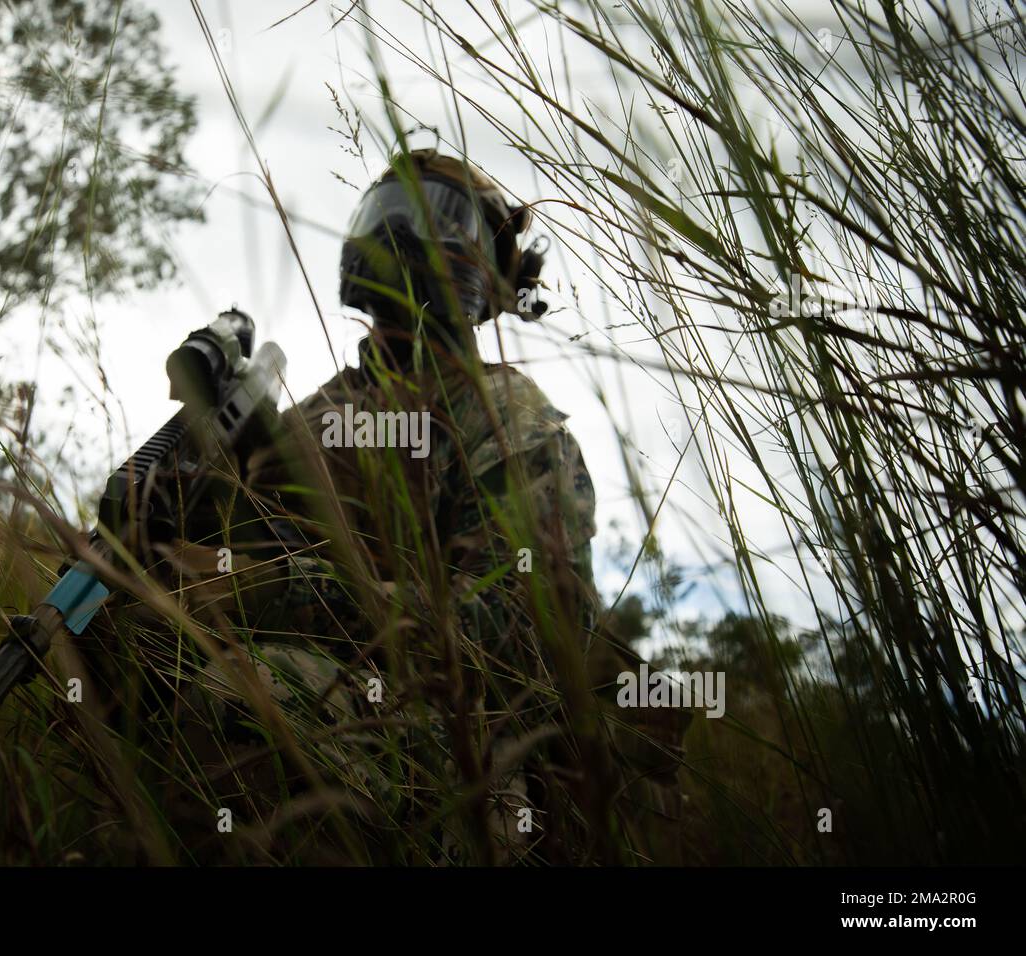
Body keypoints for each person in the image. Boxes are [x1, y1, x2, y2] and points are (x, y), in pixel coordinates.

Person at [121, 149, 688, 864]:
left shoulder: (508, 418)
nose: (397, 234)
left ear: (485, 263)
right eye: (383, 213)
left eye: (434, 218)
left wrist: (272, 591)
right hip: (308, 691)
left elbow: (521, 630)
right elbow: (216, 560)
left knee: (248, 697)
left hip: (460, 741)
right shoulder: (305, 419)